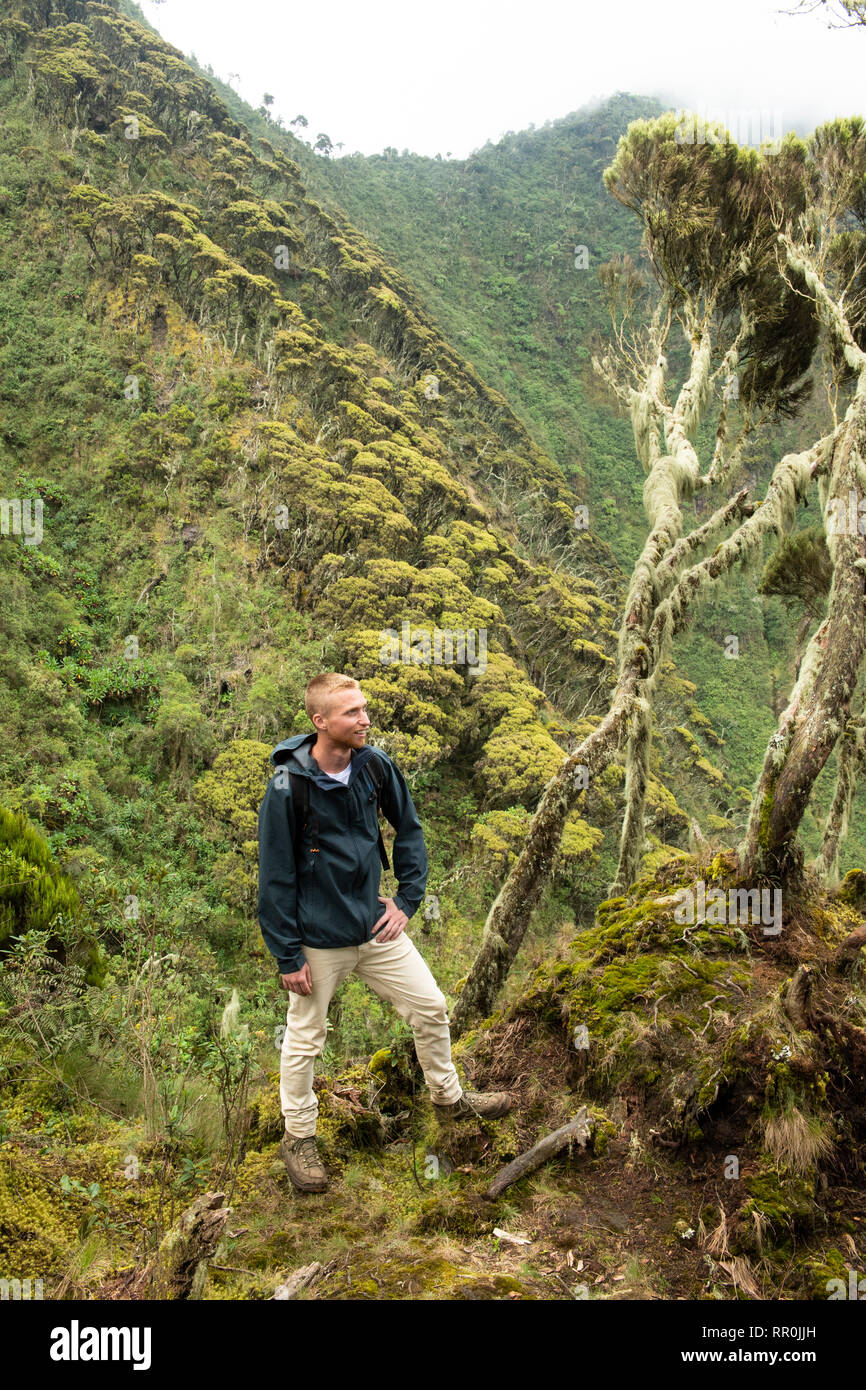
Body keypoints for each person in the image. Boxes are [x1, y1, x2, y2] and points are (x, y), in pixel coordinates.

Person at [257, 671, 513, 1193]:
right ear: (320, 721)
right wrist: (287, 954)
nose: (365, 719)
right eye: (352, 712)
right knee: (305, 1039)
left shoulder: (375, 766)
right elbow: (275, 875)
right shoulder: (287, 785)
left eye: (365, 709)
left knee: (431, 1006)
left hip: (374, 926)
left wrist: (406, 900)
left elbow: (409, 830)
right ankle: (299, 1137)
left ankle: (449, 1099)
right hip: (317, 936)